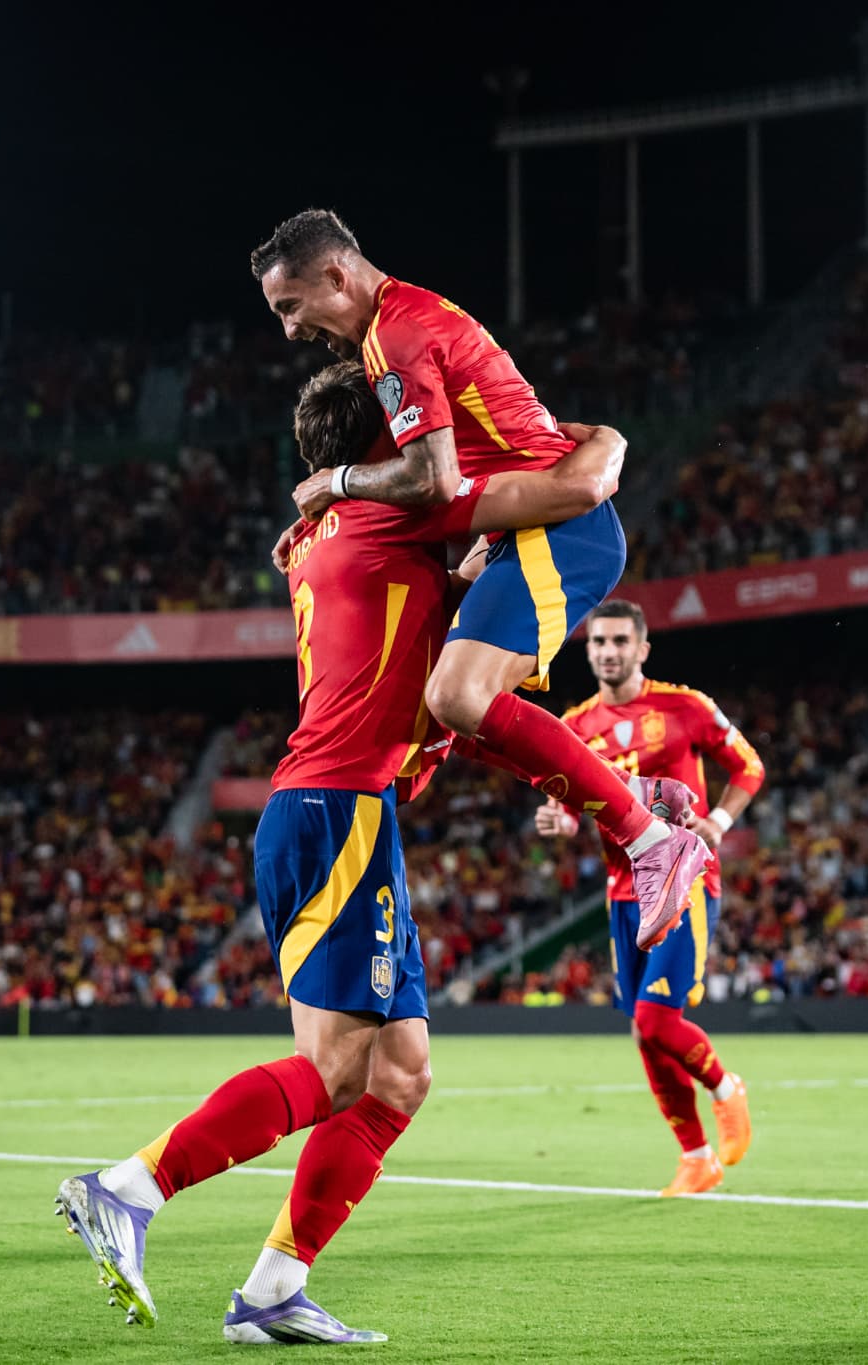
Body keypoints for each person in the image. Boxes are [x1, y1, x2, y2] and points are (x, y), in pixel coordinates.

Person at [55, 366, 633, 1344]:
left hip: (320, 806)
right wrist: (597, 436)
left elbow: (430, 617)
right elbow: (576, 485)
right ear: (389, 449)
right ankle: (126, 1189)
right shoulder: (395, 516)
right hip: (337, 812)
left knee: (396, 1076)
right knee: (331, 1073)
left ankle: (273, 1291)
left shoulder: (321, 537)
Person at [251, 208, 708, 954]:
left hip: (555, 530)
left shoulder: (392, 336)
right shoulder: (399, 323)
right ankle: (636, 798)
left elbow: (435, 479)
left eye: (290, 306)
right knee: (451, 711)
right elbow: (503, 434)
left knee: (456, 696)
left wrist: (336, 483)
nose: (290, 330)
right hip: (524, 532)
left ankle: (650, 839)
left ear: (336, 275)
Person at [532, 600, 764, 1195]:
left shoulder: (686, 708)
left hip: (684, 885)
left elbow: (748, 767)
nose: (608, 651)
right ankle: (696, 1158)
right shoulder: (575, 726)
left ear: (642, 649)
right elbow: (569, 804)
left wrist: (717, 821)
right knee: (643, 1030)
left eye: (619, 641)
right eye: (598, 643)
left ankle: (725, 1089)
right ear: (587, 653)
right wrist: (561, 822)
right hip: (623, 892)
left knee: (657, 1018)